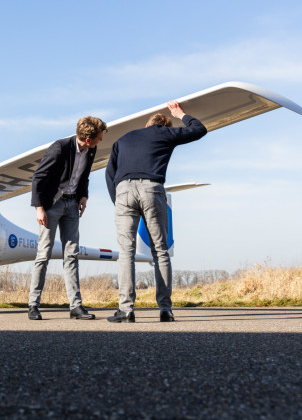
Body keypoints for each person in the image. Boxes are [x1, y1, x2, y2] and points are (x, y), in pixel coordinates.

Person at [104, 100, 207, 323]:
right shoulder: (166, 134)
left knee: (126, 251)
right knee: (160, 250)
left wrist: (119, 200)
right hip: (152, 188)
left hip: (123, 190)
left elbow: (109, 172)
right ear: (163, 126)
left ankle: (126, 310)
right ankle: (165, 309)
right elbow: (199, 129)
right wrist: (182, 114)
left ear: (148, 124)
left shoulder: (124, 138)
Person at [28, 116, 107, 321]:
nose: (101, 140)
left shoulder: (91, 150)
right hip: (51, 206)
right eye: (99, 138)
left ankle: (76, 307)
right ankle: (33, 305)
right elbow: (38, 177)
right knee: (43, 255)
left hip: (72, 205)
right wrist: (39, 208)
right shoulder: (59, 148)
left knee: (71, 254)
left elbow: (85, 175)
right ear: (88, 139)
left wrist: (84, 196)